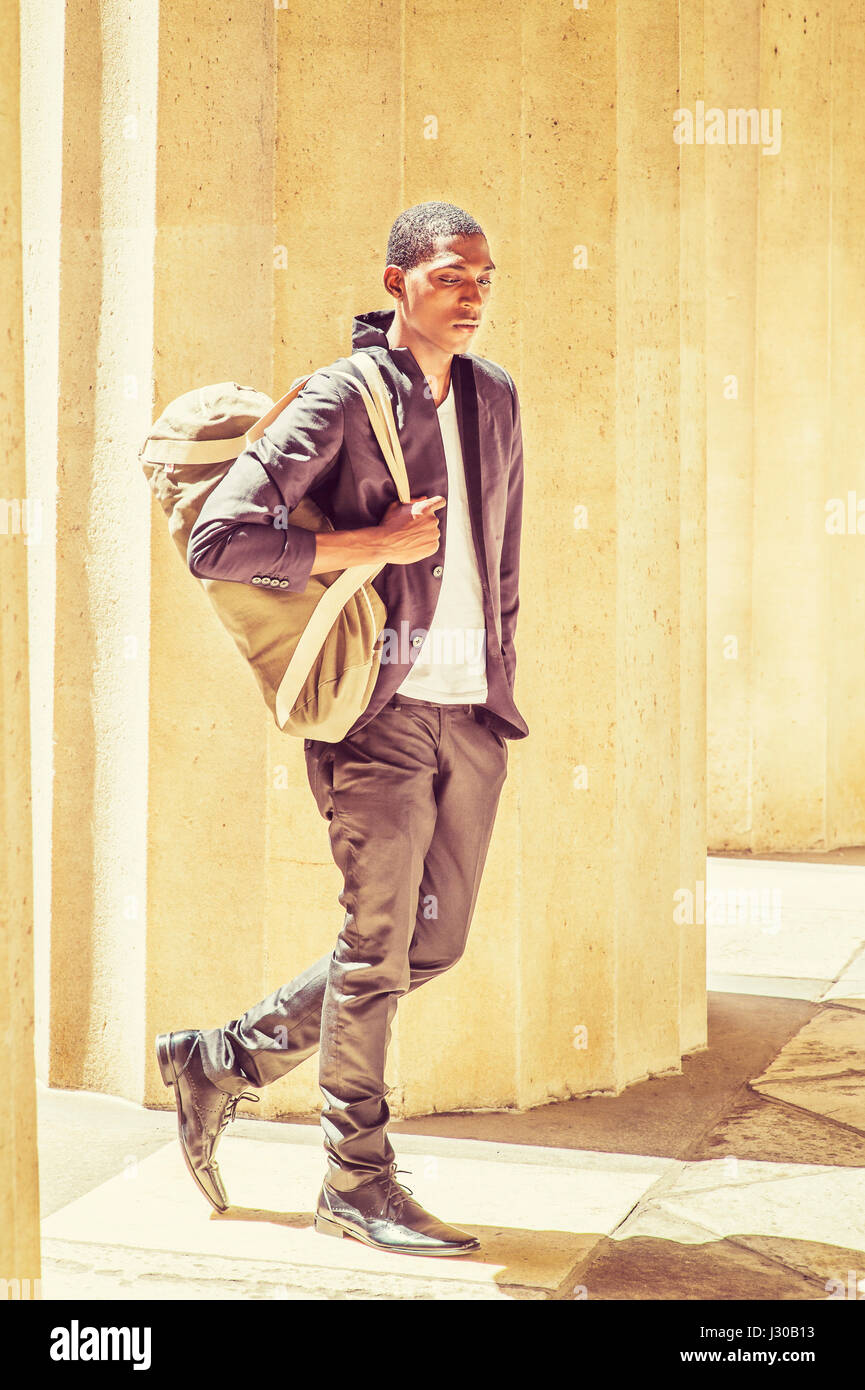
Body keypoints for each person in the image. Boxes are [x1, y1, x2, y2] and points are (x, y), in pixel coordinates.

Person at [155, 200, 529, 1257]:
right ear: (397, 281)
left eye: (483, 278)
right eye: (451, 275)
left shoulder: (495, 396)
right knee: (374, 948)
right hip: (378, 709)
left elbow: (502, 555)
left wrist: (497, 687)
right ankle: (355, 1180)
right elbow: (220, 540)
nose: (471, 294)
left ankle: (224, 1058)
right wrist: (371, 543)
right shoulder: (344, 394)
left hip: (469, 710)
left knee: (430, 943)